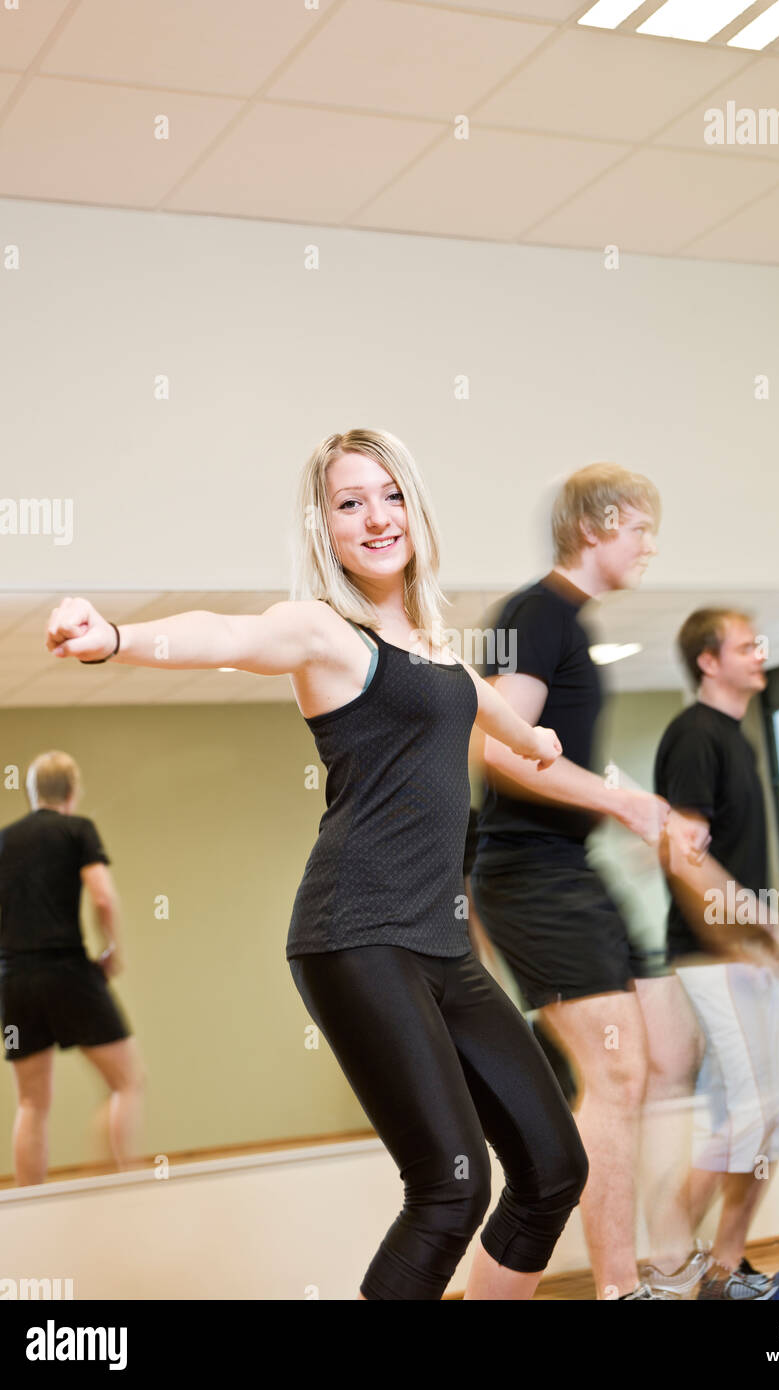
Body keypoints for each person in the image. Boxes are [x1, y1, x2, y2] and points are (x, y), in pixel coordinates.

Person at [45, 427, 589, 1301]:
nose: (376, 517)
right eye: (349, 502)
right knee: (450, 1190)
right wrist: (113, 636)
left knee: (554, 1166)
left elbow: (469, 698)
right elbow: (222, 634)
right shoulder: (323, 631)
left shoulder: (429, 644)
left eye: (391, 494)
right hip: (356, 936)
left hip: (442, 947)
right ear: (323, 527)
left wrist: (532, 739)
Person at [467, 462, 704, 1300]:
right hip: (529, 873)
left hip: (565, 866)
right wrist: (619, 802)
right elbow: (497, 748)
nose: (647, 545)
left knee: (661, 1055)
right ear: (596, 524)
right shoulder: (539, 613)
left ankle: (655, 1263)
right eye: (639, 528)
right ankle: (616, 1289)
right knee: (614, 1075)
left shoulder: (566, 626)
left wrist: (627, 810)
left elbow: (542, 761)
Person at [639, 608, 779, 1300]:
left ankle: (725, 1267)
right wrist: (760, 925)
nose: (758, 654)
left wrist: (764, 940)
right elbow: (684, 859)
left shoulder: (738, 740)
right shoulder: (694, 737)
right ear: (708, 661)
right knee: (747, 1114)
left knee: (778, 1110)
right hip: (715, 960)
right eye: (745, 646)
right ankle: (669, 1256)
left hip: (749, 959)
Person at [0, 751, 144, 1186]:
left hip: (15, 982)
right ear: (72, 792)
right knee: (127, 1082)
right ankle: (123, 1190)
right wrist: (112, 950)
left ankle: (29, 1209)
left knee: (31, 1103)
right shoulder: (77, 830)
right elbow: (104, 897)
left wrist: (7, 946)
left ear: (33, 793)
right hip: (68, 972)